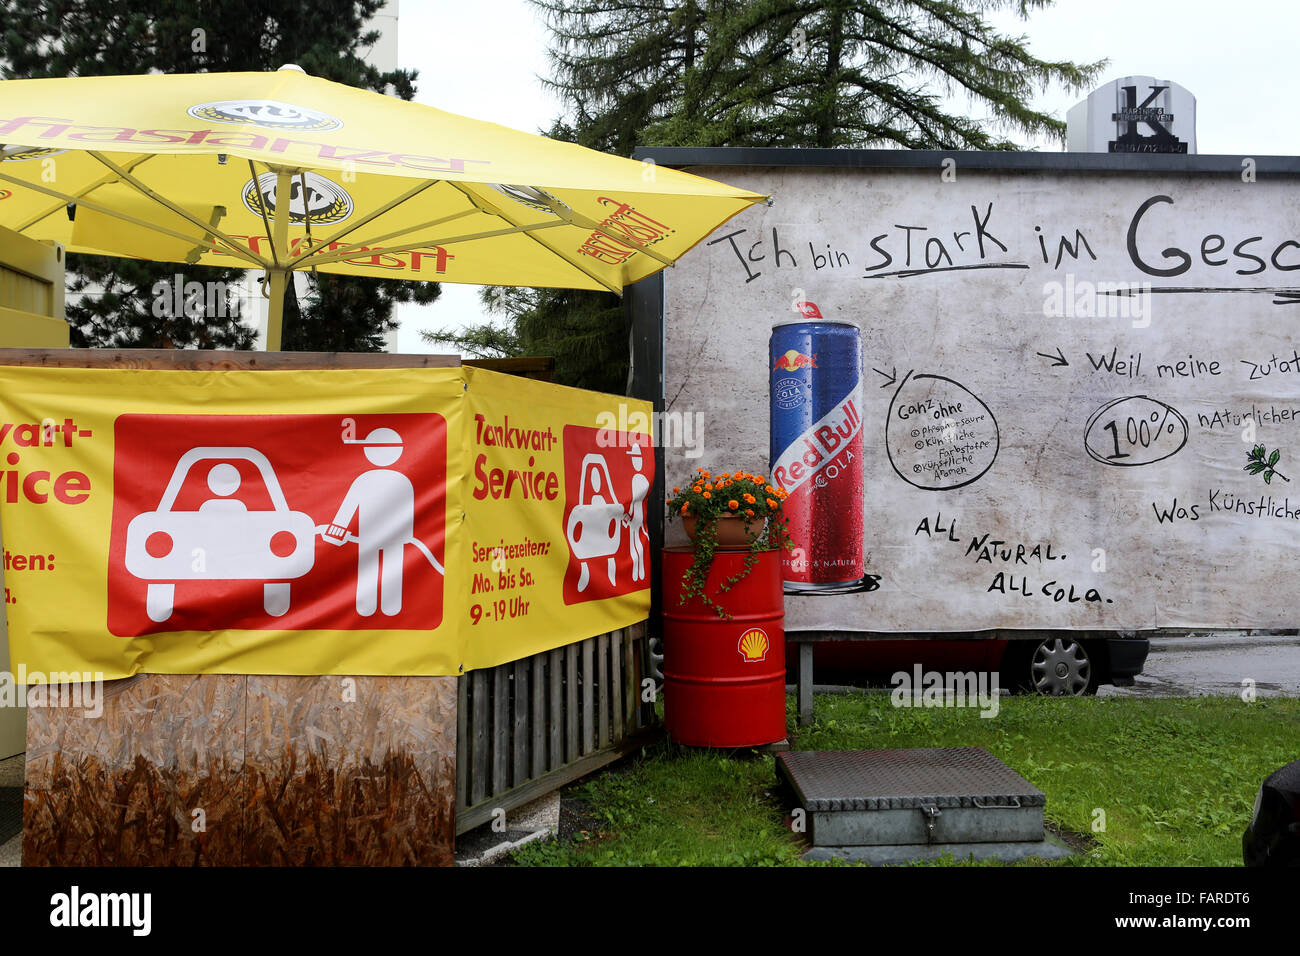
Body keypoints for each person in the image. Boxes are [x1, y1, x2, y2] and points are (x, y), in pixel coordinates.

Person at [323, 427, 414, 617]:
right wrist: (337, 527)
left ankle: (384, 607)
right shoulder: (380, 479)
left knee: (389, 569)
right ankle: (373, 607)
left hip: (383, 536)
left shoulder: (393, 480)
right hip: (370, 535)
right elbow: (349, 506)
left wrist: (338, 527)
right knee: (374, 570)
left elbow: (410, 507)